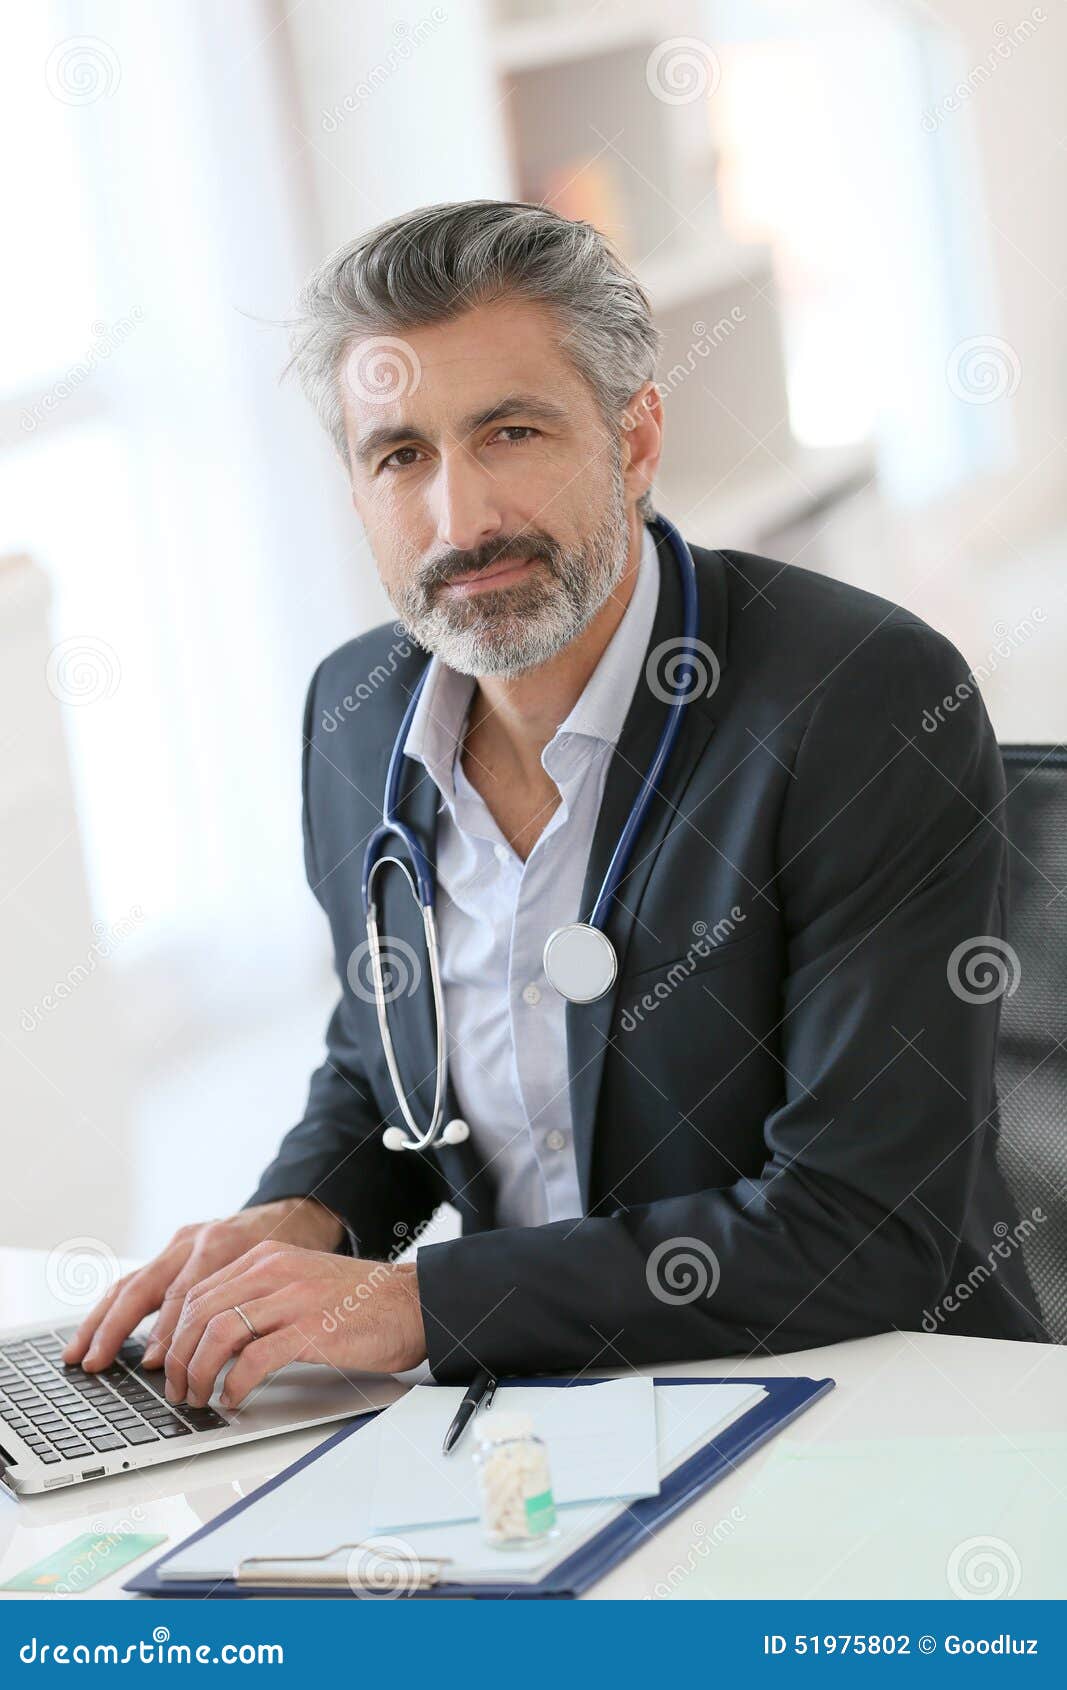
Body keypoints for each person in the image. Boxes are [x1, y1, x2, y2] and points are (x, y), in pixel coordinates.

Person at [64, 201, 1045, 1411]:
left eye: (511, 432)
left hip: (861, 1404)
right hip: (537, 1422)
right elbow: (393, 1055)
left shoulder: (860, 700)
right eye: (400, 455)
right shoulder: (355, 714)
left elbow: (861, 1228)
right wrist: (302, 1216)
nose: (459, 522)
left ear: (633, 441)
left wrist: (416, 1305)